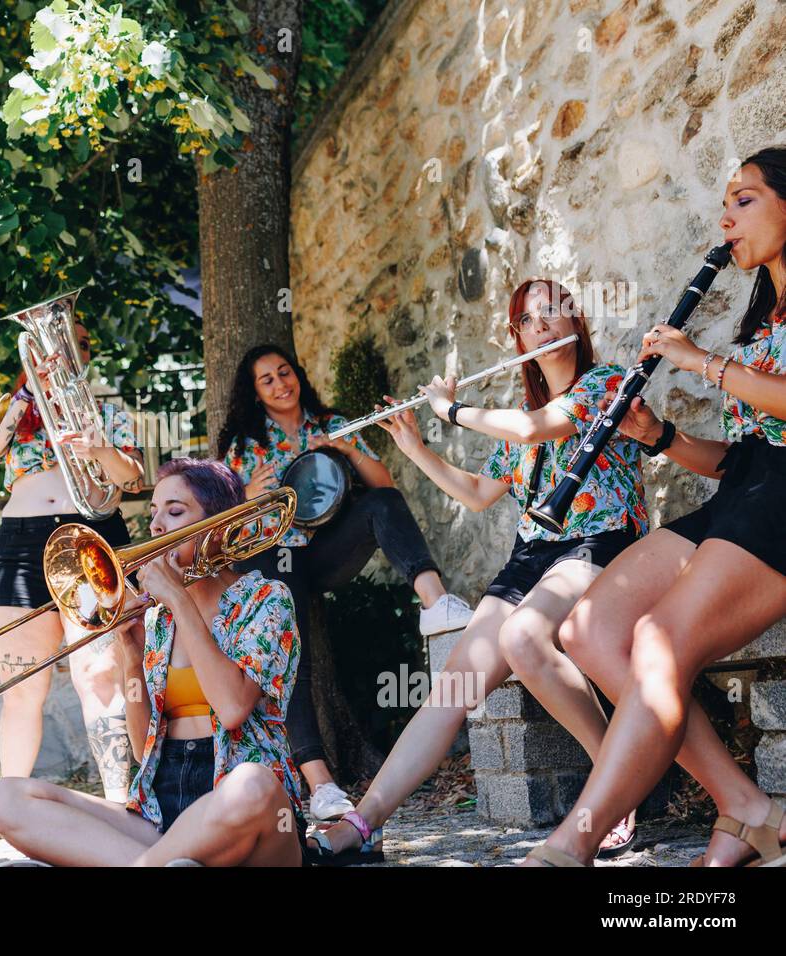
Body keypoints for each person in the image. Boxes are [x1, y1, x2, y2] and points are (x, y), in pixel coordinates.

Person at [307, 279, 646, 864]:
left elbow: (537, 429)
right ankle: (362, 823)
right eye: (529, 320)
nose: (543, 325)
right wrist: (415, 446)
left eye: (554, 313)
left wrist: (455, 411)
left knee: (522, 637)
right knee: (452, 690)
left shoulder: (605, 384)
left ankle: (612, 785)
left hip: (600, 542)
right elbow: (480, 494)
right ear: (515, 336)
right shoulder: (523, 417)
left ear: (578, 323)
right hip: (533, 558)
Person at [524, 147, 786, 868]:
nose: (726, 218)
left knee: (661, 640)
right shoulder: (763, 324)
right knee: (588, 629)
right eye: (726, 203)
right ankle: (748, 807)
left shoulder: (738, 347)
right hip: (747, 493)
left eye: (745, 199)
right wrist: (659, 436)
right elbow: (742, 455)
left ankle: (572, 842)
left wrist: (698, 359)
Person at [0, 457, 303, 865]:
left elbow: (233, 708)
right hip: (160, 814)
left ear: (220, 527)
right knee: (4, 797)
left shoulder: (266, 599)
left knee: (254, 783)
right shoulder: (157, 617)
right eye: (153, 513)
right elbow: (139, 745)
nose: (156, 526)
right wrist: (130, 651)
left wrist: (180, 600)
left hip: (245, 813)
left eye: (175, 511)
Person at [217, 343, 473, 819]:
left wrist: (345, 447)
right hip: (275, 562)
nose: (280, 384)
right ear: (254, 394)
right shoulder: (244, 446)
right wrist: (246, 497)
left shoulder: (331, 423)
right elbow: (225, 535)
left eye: (284, 372)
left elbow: (385, 487)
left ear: (297, 374)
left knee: (380, 505)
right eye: (266, 380)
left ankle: (435, 604)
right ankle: (320, 784)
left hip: (327, 551)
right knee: (296, 657)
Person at [0, 320, 144, 843]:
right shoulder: (13, 408)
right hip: (22, 543)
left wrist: (98, 452)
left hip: (92, 535)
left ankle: (121, 803)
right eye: (55, 344)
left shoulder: (106, 411)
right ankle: (2, 812)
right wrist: (24, 392)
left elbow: (131, 476)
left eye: (79, 345)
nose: (66, 352)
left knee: (100, 674)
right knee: (20, 685)